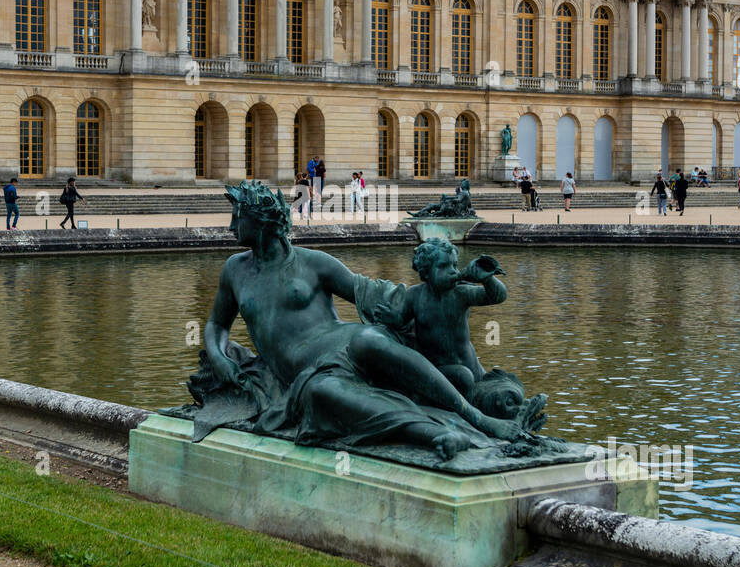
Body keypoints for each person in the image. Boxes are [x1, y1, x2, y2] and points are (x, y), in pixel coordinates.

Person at [202, 182, 529, 462]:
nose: (231, 226)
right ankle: (433, 433)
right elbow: (218, 324)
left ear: (261, 221)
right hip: (311, 370)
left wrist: (432, 292)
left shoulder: (313, 263)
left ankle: (478, 418)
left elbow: (367, 291)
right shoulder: (235, 270)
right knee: (324, 393)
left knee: (370, 340)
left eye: (237, 217)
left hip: (344, 339)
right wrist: (217, 356)